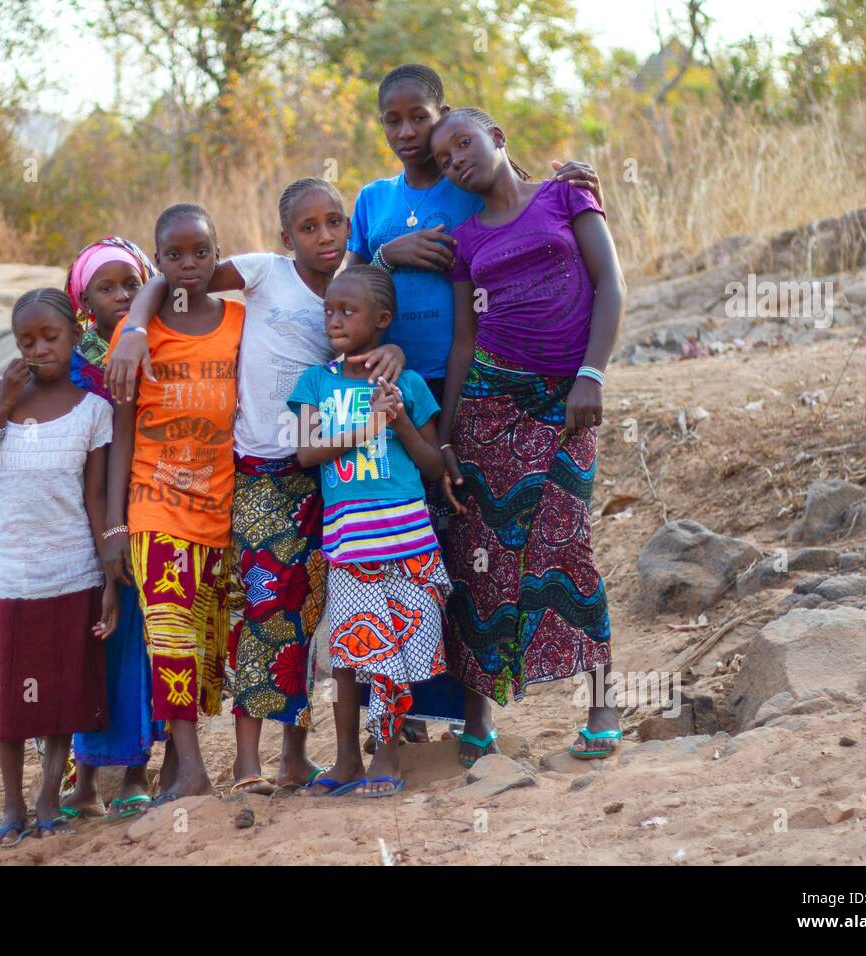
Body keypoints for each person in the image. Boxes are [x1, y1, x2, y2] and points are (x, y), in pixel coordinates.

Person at [105, 181, 404, 795]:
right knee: (264, 610)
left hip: (325, 473)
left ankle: (295, 756)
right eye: (309, 227)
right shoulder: (265, 276)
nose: (324, 236)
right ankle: (245, 763)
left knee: (307, 614)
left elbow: (368, 337)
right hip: (261, 471)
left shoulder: (351, 291)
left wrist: (394, 346)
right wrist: (135, 320)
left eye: (334, 223)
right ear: (284, 237)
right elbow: (185, 275)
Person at [345, 63, 604, 751]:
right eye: (392, 121)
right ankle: (428, 716)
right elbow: (351, 290)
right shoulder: (386, 205)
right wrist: (382, 250)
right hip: (427, 401)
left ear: (464, 123)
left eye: (423, 121)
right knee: (443, 554)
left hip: (523, 393)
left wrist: (592, 374)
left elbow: (599, 274)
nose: (410, 134)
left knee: (543, 541)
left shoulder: (521, 195)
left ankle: (570, 709)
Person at [430, 107, 626, 764]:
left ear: (498, 136)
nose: (457, 158)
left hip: (567, 400)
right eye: (446, 157)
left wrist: (592, 375)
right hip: (489, 408)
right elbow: (463, 340)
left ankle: (602, 703)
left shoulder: (566, 194)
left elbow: (611, 286)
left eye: (464, 142)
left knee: (566, 543)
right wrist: (449, 435)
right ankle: (477, 718)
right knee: (478, 559)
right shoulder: (463, 241)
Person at [0, 287, 119, 845]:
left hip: (73, 570)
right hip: (17, 574)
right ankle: (12, 802)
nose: (39, 349)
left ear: (75, 336)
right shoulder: (0, 396)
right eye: (26, 340)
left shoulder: (94, 410)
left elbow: (97, 498)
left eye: (50, 337)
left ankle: (51, 796)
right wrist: (1, 405)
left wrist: (109, 576)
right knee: (13, 698)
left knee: (62, 693)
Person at [288, 265, 451, 797]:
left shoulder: (409, 382)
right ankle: (345, 759)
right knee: (351, 656)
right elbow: (306, 451)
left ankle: (385, 751)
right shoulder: (315, 381)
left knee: (396, 652)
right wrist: (368, 427)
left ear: (381, 320)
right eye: (329, 310)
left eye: (347, 311)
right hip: (350, 543)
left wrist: (399, 419)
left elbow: (432, 465)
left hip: (406, 538)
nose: (333, 319)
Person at [101, 203, 243, 803]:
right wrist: (113, 525)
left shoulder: (240, 318)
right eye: (175, 255)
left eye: (202, 252)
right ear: (156, 260)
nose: (189, 265)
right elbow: (122, 430)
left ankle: (189, 766)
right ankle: (191, 771)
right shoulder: (136, 336)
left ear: (218, 253)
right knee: (169, 636)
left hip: (222, 503)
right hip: (154, 505)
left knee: (212, 642)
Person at [59, 237, 166, 820]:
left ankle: (138, 768)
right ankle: (83, 777)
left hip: (146, 513)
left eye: (131, 283)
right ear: (83, 301)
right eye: (107, 287)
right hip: (81, 523)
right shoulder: (70, 367)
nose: (121, 295)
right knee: (90, 644)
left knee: (139, 644)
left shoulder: (155, 344)